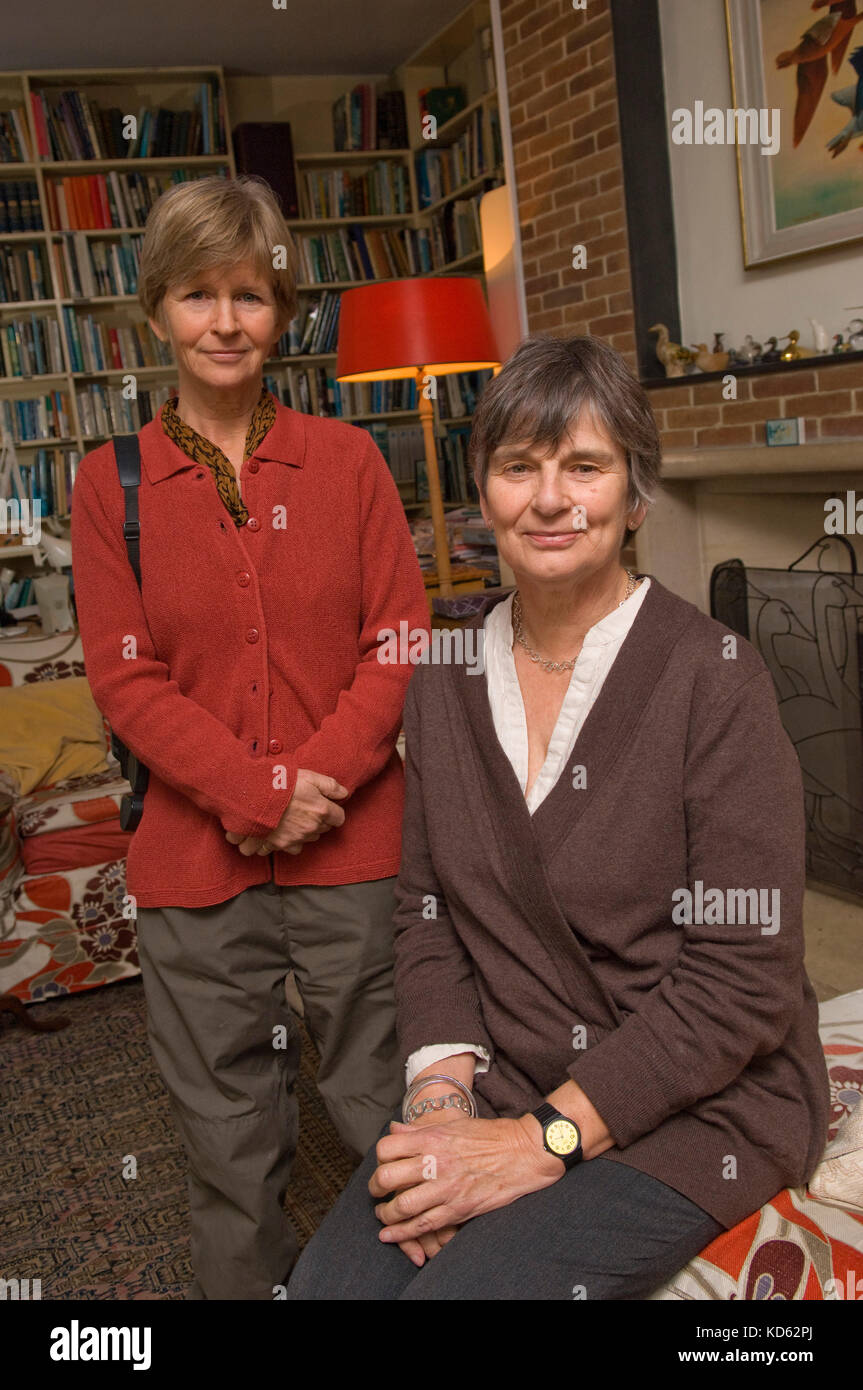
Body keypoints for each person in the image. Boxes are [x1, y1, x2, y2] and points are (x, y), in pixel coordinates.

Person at [286, 333, 832, 1300]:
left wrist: (545, 1142)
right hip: (506, 1074)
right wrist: (442, 1100)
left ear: (635, 493)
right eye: (517, 467)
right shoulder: (443, 679)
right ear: (483, 492)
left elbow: (743, 977)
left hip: (705, 1102)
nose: (548, 499)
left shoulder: (715, 680)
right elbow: (430, 916)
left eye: (584, 466)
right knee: (330, 1289)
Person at [70, 175, 429, 1299]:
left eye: (250, 295)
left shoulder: (350, 463)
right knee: (227, 1141)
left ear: (282, 311)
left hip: (358, 850)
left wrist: (314, 780)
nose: (225, 322)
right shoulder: (107, 483)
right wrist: (261, 791)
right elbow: (126, 678)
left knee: (397, 1112)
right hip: (193, 871)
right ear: (155, 313)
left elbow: (399, 640)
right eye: (196, 295)